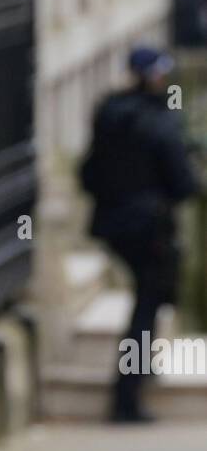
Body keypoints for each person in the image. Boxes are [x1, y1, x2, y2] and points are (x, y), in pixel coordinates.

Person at [80, 45, 201, 422]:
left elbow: (88, 174)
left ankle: (139, 373)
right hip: (148, 229)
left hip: (114, 225)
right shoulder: (160, 121)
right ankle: (127, 397)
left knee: (149, 299)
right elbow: (184, 184)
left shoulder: (109, 113)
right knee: (147, 307)